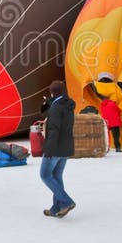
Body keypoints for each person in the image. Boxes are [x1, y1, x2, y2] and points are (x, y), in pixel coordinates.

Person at [40, 80, 75, 217]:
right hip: (66, 147)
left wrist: (49, 150)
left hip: (55, 148)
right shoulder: (66, 104)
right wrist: (48, 102)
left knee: (45, 175)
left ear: (52, 92)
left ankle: (66, 201)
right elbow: (46, 113)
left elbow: (54, 130)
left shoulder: (56, 107)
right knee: (56, 176)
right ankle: (56, 208)